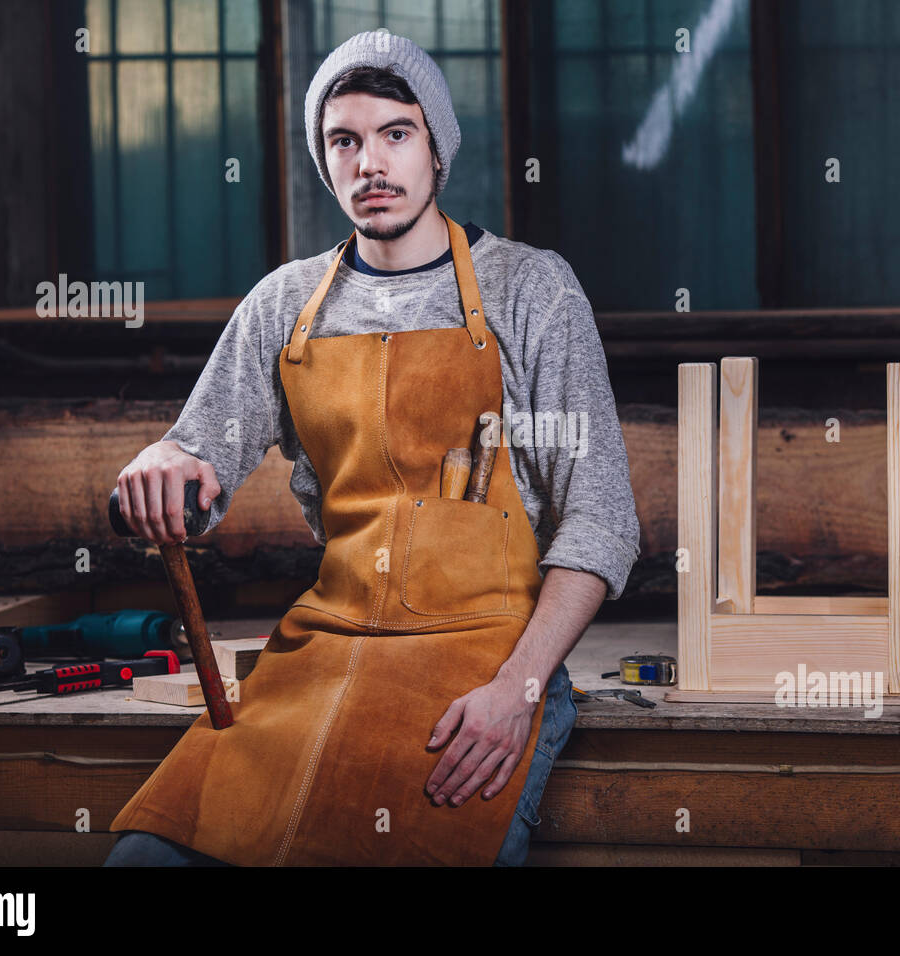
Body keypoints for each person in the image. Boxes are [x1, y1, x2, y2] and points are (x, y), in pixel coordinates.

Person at [104, 30, 639, 867]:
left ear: (437, 150)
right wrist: (164, 473)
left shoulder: (530, 289)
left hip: (482, 662)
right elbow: (194, 463)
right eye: (344, 140)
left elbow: (603, 522)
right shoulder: (285, 303)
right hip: (325, 646)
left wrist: (519, 687)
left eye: (397, 133)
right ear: (325, 159)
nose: (370, 163)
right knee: (150, 857)